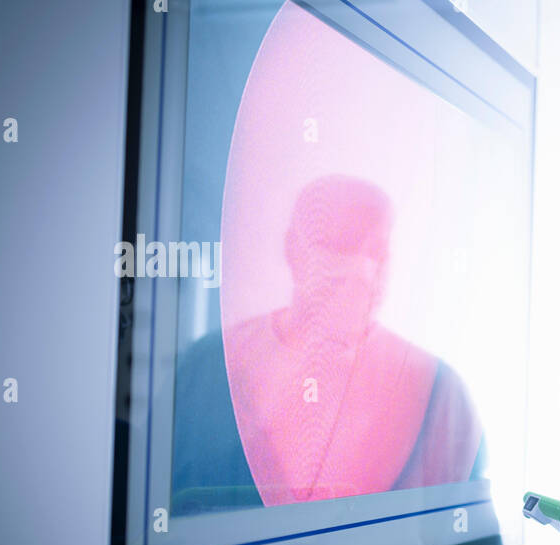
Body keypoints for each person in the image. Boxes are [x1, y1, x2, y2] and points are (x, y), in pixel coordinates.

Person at [171, 174, 486, 513]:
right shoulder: (207, 368)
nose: (362, 271)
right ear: (292, 250)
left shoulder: (438, 393)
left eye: (376, 252)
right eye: (340, 245)